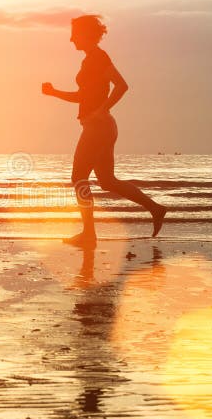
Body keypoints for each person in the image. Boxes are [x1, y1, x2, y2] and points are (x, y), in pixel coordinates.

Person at [41, 14, 167, 247]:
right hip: (101, 126)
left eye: (74, 34)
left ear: (85, 34)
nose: (71, 39)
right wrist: (55, 92)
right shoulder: (90, 60)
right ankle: (155, 209)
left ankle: (89, 235)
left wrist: (102, 110)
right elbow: (83, 97)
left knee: (78, 178)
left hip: (98, 127)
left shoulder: (98, 57)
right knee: (107, 180)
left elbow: (122, 85)